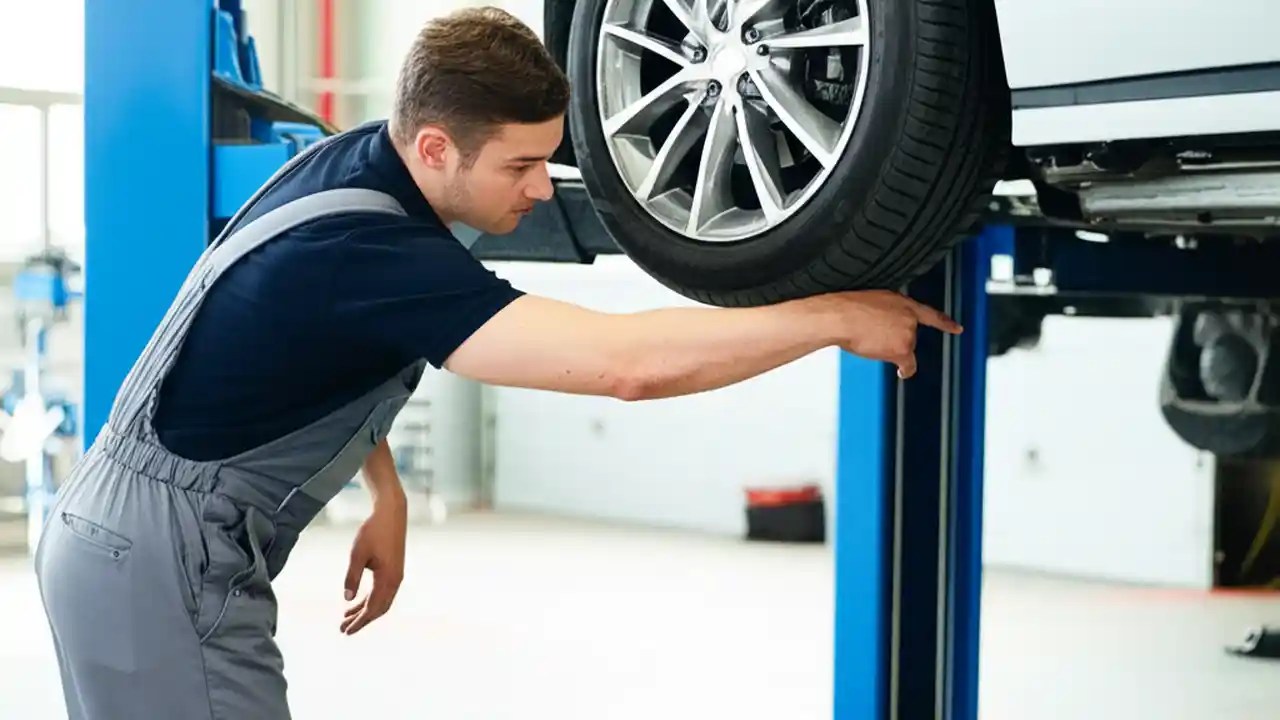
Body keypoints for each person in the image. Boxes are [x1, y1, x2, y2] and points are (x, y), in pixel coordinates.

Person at [33, 6, 960, 719]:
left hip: (126, 538)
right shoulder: (373, 251)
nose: (538, 187)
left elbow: (308, 365)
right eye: (519, 166)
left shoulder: (359, 164)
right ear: (435, 146)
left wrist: (384, 492)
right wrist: (831, 317)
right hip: (156, 561)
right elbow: (624, 366)